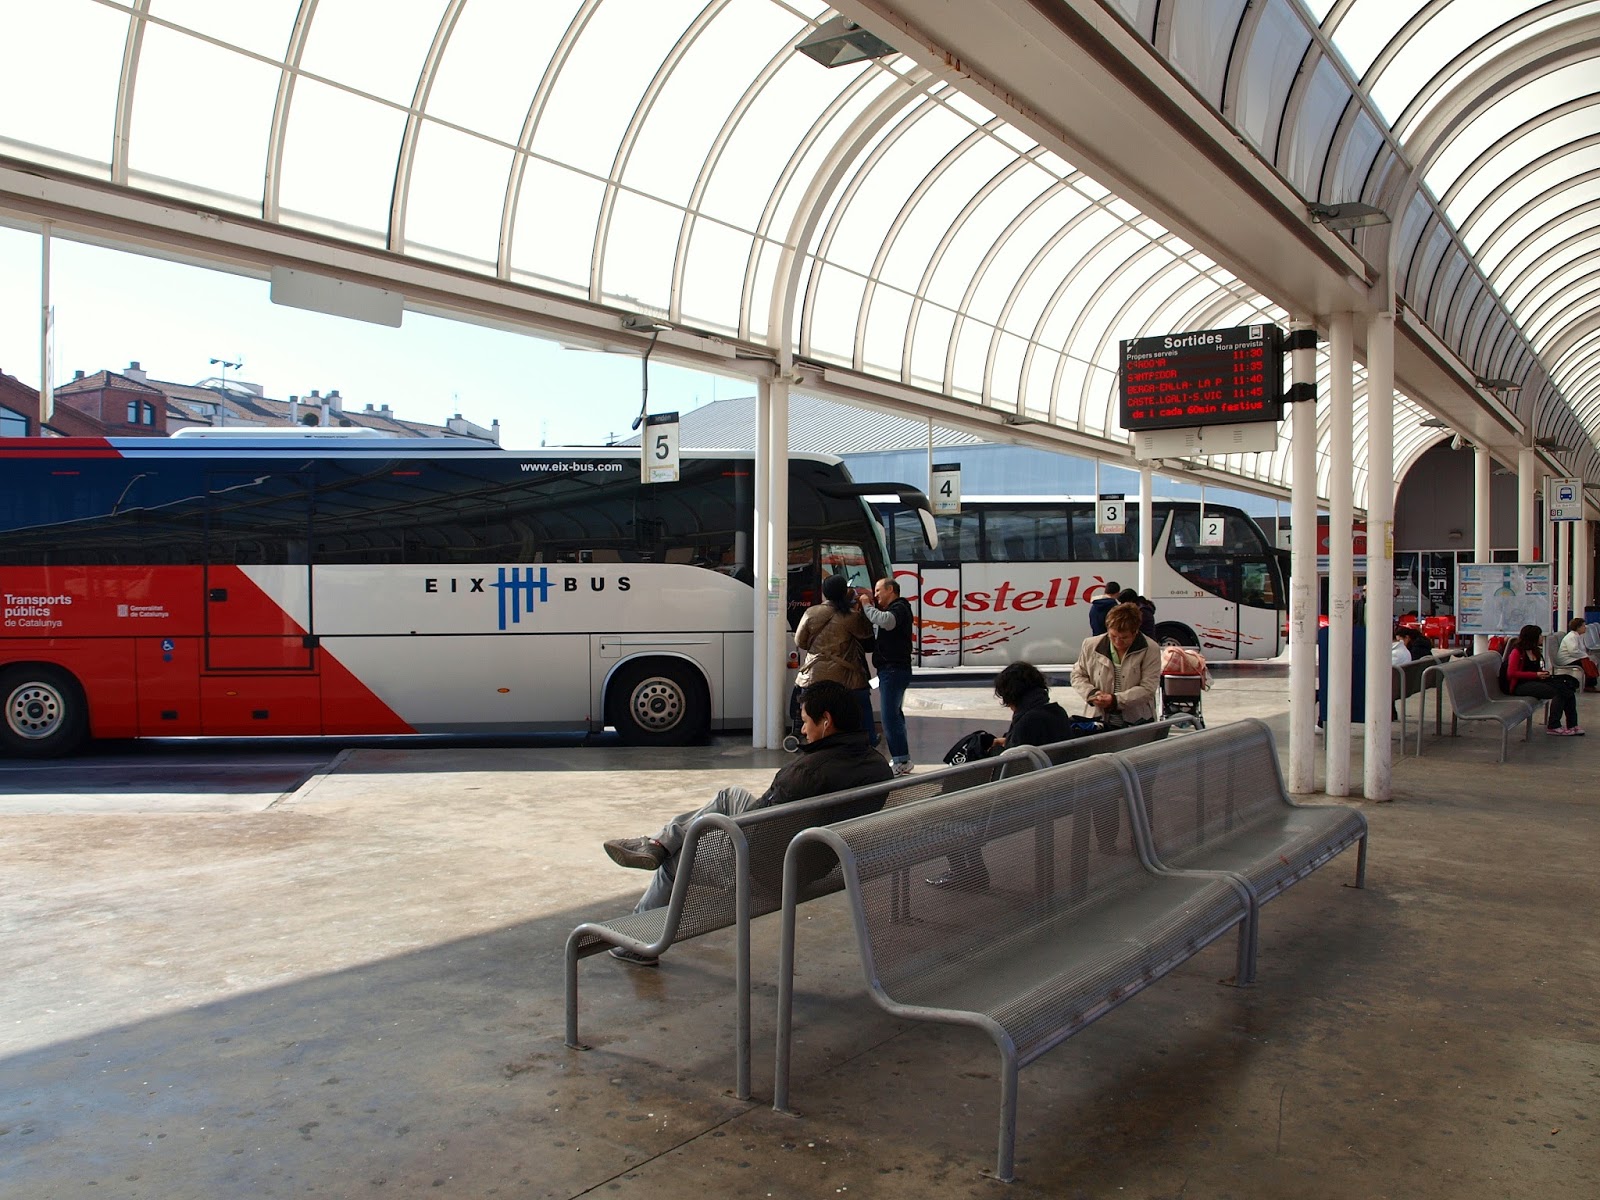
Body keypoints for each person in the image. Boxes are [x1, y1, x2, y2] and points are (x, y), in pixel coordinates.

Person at [600, 680, 892, 962]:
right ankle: (658, 842)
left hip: (770, 872)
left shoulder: (807, 773)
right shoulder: (878, 767)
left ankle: (637, 943)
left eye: (805, 722)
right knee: (730, 797)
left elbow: (760, 831)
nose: (803, 730)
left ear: (826, 721)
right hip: (817, 862)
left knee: (674, 862)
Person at [928, 661, 1073, 891]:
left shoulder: (1027, 721)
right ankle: (972, 873)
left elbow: (1009, 770)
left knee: (940, 803)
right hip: (1056, 793)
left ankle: (967, 873)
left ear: (1010, 694)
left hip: (1016, 805)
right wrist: (1005, 743)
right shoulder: (1056, 713)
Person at [795, 573, 877, 747]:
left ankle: (813, 742)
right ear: (845, 592)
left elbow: (800, 642)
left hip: (814, 677)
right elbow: (868, 641)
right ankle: (868, 742)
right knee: (863, 707)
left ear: (824, 593)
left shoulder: (811, 612)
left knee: (811, 711)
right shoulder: (852, 616)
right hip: (848, 678)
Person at [858, 576, 915, 776]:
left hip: (894, 670)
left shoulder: (899, 608)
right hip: (889, 670)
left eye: (878, 591)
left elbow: (886, 622)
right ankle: (902, 758)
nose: (875, 595)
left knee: (889, 717)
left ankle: (901, 760)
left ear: (891, 589)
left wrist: (865, 605)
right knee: (894, 716)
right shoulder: (895, 609)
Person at [1070, 602, 1162, 726]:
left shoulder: (1151, 649)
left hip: (1136, 721)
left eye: (1124, 637)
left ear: (1135, 632)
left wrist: (1115, 700)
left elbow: (1148, 688)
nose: (1118, 641)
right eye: (1113, 636)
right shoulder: (1090, 645)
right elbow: (1078, 675)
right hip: (1098, 719)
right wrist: (1092, 693)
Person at [1503, 624, 1580, 736]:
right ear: (1532, 637)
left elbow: (1535, 669)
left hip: (1534, 681)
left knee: (1567, 688)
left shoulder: (1534, 651)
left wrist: (1541, 673)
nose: (1541, 637)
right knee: (1558, 692)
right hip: (1519, 686)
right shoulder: (1517, 652)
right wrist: (1536, 675)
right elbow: (1511, 673)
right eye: (1539, 635)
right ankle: (1554, 725)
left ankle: (1572, 724)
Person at [1553, 617, 1595, 693]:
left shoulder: (1577, 636)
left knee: (1588, 661)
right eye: (1583, 626)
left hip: (1572, 657)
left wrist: (1585, 656)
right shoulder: (1572, 636)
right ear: (1578, 628)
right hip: (1566, 659)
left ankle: (1590, 684)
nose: (1585, 628)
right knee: (1586, 663)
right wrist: (1585, 656)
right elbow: (1573, 651)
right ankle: (1589, 685)